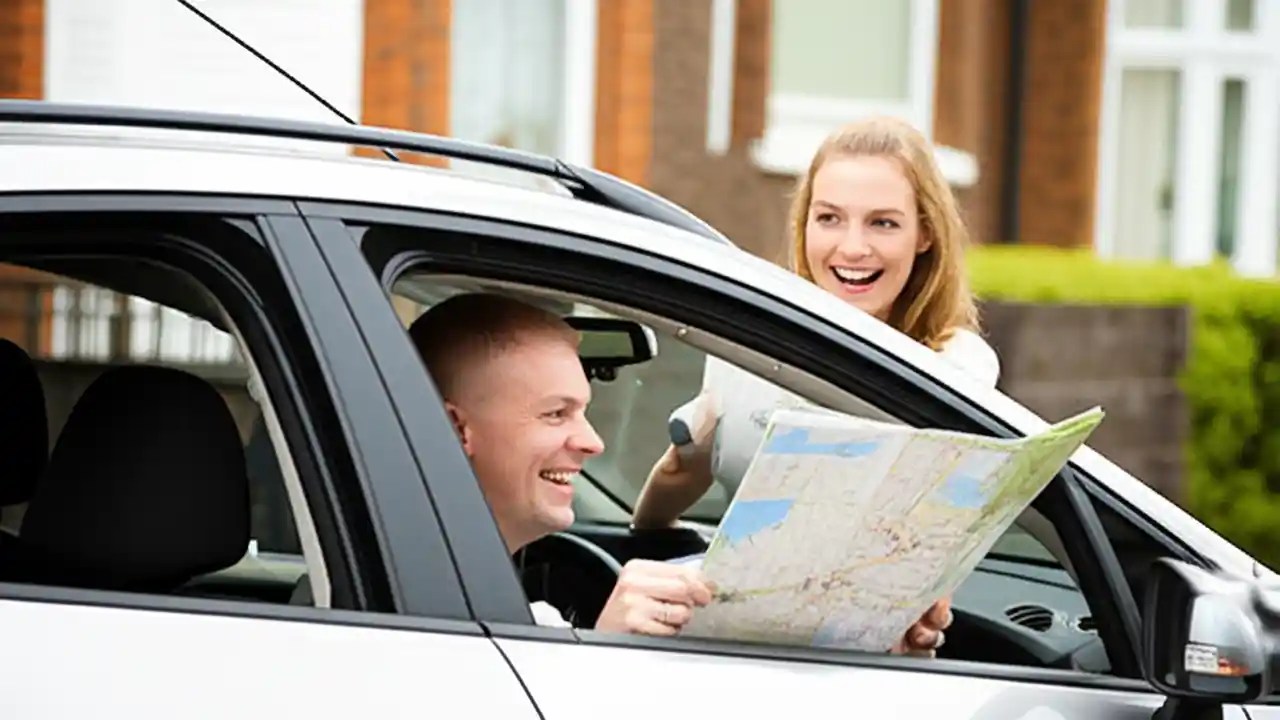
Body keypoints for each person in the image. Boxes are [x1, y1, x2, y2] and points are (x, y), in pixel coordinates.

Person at [630, 116, 999, 652]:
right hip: (730, 645)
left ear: (925, 234)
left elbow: (940, 547)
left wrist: (923, 614)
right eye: (829, 218)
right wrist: (641, 540)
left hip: (866, 659)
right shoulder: (747, 344)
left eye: (883, 224)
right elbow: (682, 477)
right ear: (804, 225)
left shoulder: (960, 369)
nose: (852, 247)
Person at [407, 291, 947, 651]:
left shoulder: (450, 589)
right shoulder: (416, 620)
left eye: (586, 412)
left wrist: (865, 642)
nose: (592, 441)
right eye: (555, 414)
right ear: (458, 430)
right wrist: (608, 649)